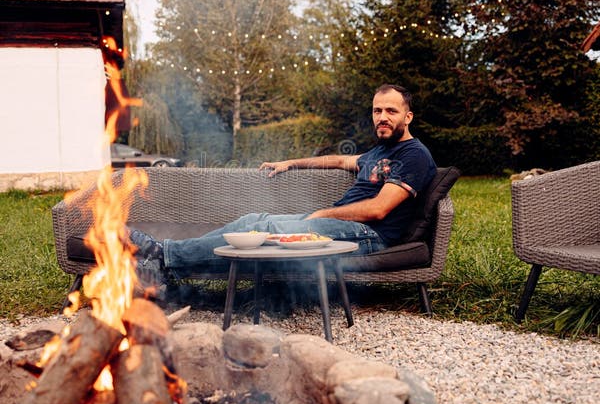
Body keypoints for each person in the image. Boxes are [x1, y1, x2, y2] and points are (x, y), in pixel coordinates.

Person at [129, 84, 436, 291]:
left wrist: (323, 214)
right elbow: (339, 161)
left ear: (407, 116)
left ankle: (163, 255)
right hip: (341, 224)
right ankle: (169, 266)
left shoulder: (414, 155)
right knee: (253, 221)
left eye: (391, 112)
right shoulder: (378, 152)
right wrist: (291, 162)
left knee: (268, 228)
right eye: (377, 111)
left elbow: (377, 209)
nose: (382, 117)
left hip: (370, 236)